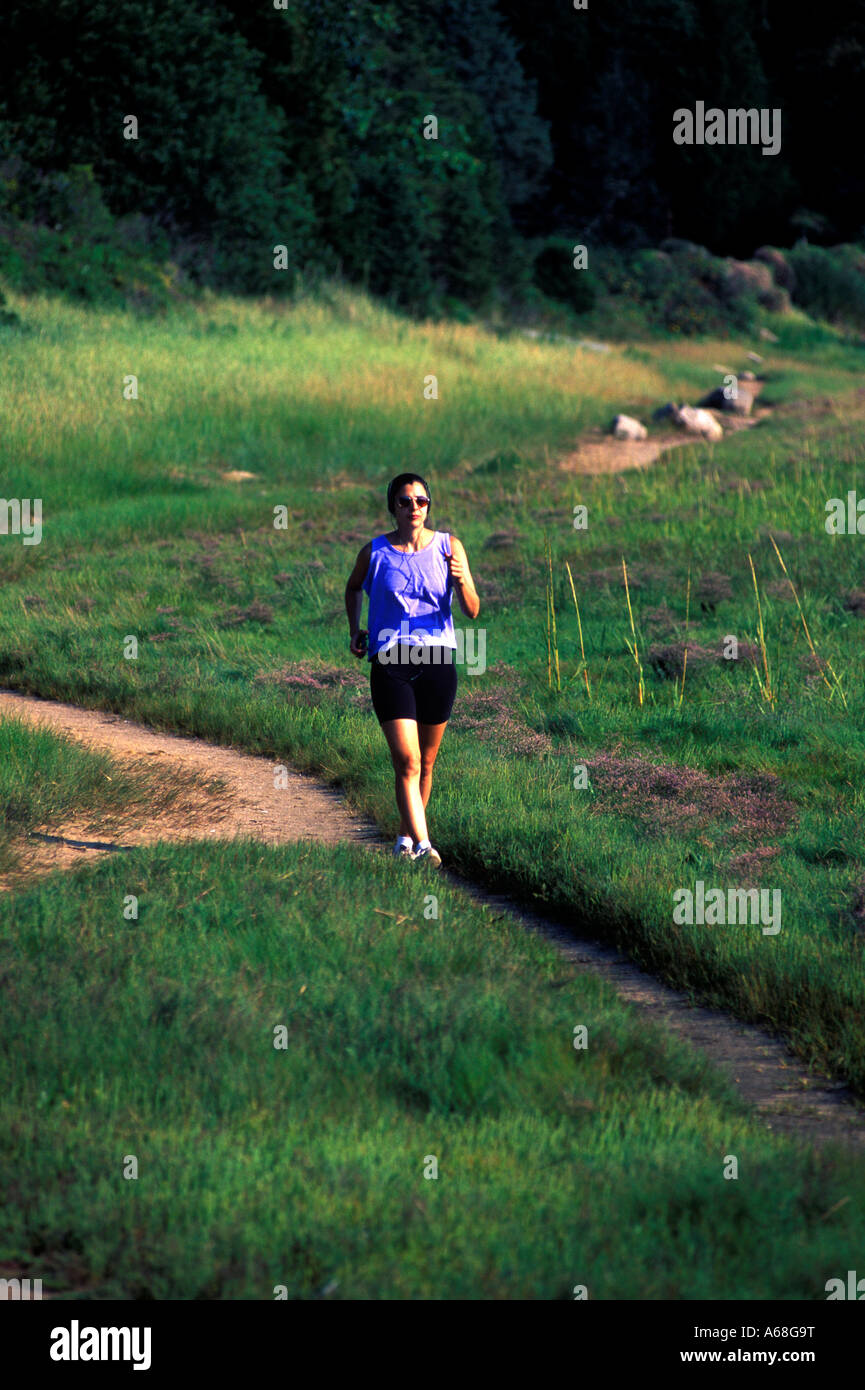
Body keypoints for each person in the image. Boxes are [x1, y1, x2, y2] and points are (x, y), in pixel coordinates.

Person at [344, 473, 480, 867]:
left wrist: (461, 582)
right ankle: (424, 846)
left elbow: (472, 610)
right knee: (407, 760)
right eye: (405, 501)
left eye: (421, 501)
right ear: (393, 507)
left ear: (429, 506)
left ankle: (403, 839)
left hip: (438, 663)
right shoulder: (374, 553)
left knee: (426, 763)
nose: (414, 508)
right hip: (391, 663)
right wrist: (356, 630)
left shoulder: (449, 547)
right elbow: (353, 588)